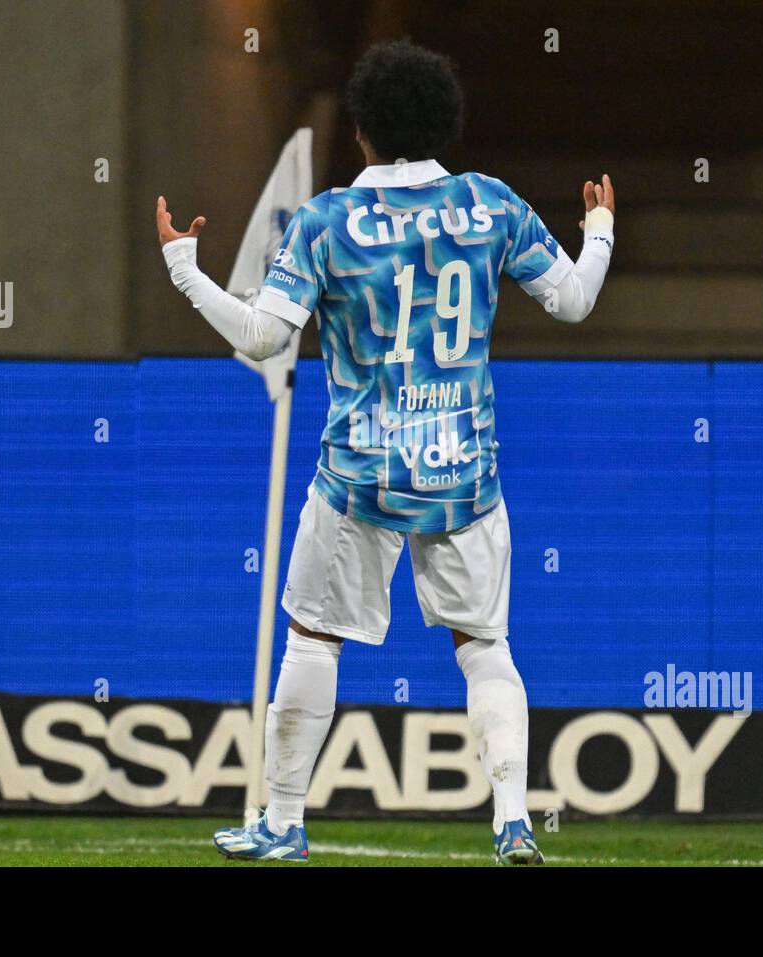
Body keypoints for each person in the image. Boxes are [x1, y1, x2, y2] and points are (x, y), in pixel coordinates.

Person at [157, 39, 614, 864]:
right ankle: (512, 817)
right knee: (485, 648)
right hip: (464, 476)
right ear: (444, 123)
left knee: (311, 638)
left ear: (361, 129)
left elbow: (265, 339)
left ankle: (285, 822)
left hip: (361, 475)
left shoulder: (327, 221)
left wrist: (186, 271)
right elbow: (575, 300)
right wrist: (603, 229)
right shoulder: (491, 205)